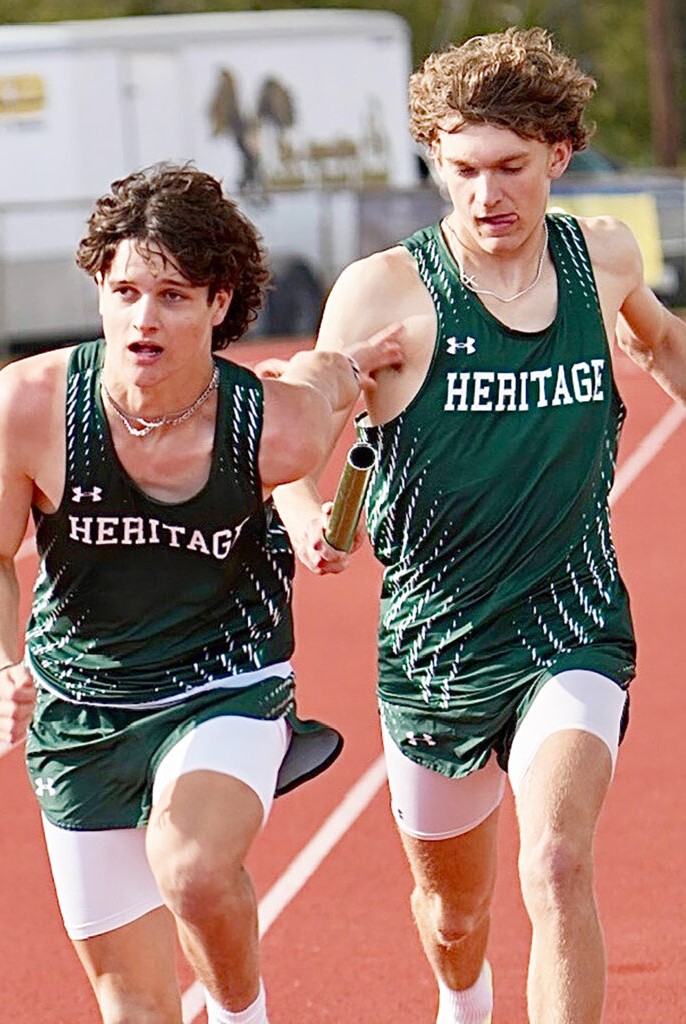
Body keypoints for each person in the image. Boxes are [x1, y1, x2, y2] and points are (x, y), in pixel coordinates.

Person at [272, 27, 686, 1024]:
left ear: (557, 155)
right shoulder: (383, 291)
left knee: (553, 857)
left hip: (572, 618)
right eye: (459, 170)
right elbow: (296, 430)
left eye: (507, 167)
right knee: (456, 914)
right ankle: (463, 1000)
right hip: (436, 646)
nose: (484, 194)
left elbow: (664, 340)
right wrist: (301, 519)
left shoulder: (603, 259)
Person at [0, 162, 401, 1024]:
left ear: (219, 303)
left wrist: (351, 363)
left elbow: (326, 382)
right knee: (135, 1005)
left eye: (172, 295)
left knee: (191, 867)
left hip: (223, 688)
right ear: (98, 290)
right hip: (81, 707)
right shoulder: (31, 404)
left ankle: (240, 1013)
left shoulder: (279, 427)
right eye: (124, 291)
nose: (142, 318)